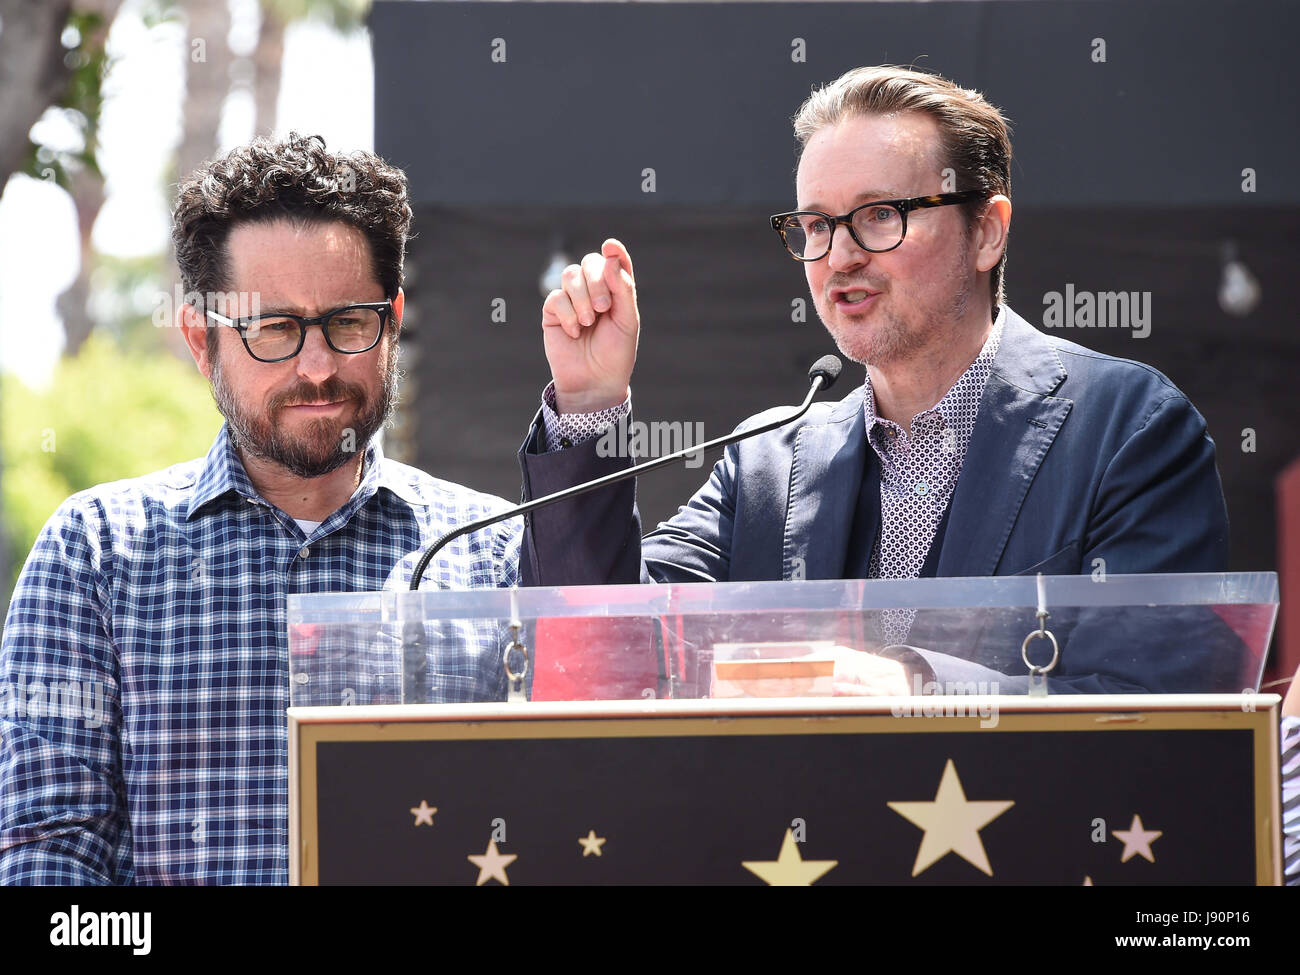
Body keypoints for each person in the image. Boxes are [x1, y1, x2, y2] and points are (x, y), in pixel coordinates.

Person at [517, 65, 1235, 694]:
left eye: (879, 215)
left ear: (987, 231)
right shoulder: (768, 462)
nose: (839, 256)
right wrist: (588, 404)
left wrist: (913, 683)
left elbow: (1157, 701)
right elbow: (603, 654)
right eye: (816, 225)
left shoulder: (1125, 428)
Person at [0, 134, 521, 885]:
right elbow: (52, 868)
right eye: (273, 328)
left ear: (394, 319)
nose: (317, 367)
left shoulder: (493, 552)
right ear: (201, 340)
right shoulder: (95, 556)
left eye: (347, 322)